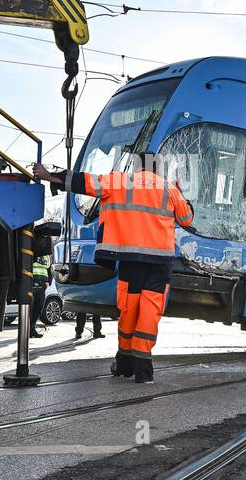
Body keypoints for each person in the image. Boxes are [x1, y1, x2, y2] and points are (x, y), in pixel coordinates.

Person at [33, 158, 194, 384]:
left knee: (129, 308)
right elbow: (187, 219)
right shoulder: (169, 189)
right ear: (158, 169)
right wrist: (181, 194)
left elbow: (85, 182)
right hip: (160, 262)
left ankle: (124, 363)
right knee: (150, 311)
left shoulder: (121, 181)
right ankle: (143, 370)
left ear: (137, 167)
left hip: (130, 260)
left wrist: (50, 176)